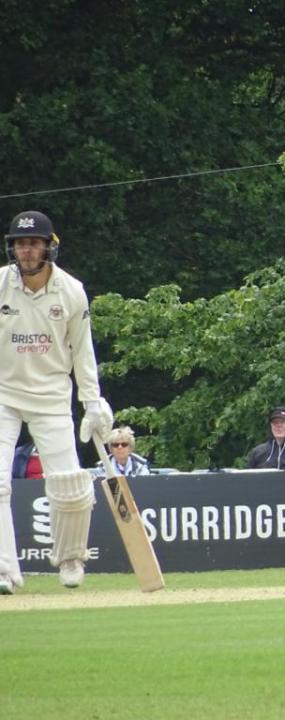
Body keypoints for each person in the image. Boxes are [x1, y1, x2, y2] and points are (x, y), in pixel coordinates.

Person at [0, 210, 113, 595]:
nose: (26, 251)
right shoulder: (0, 284)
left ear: (48, 247)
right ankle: (5, 571)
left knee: (69, 485)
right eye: (19, 243)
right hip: (3, 393)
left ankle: (71, 558)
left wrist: (93, 402)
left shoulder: (71, 291)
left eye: (32, 243)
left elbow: (83, 352)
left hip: (51, 395)